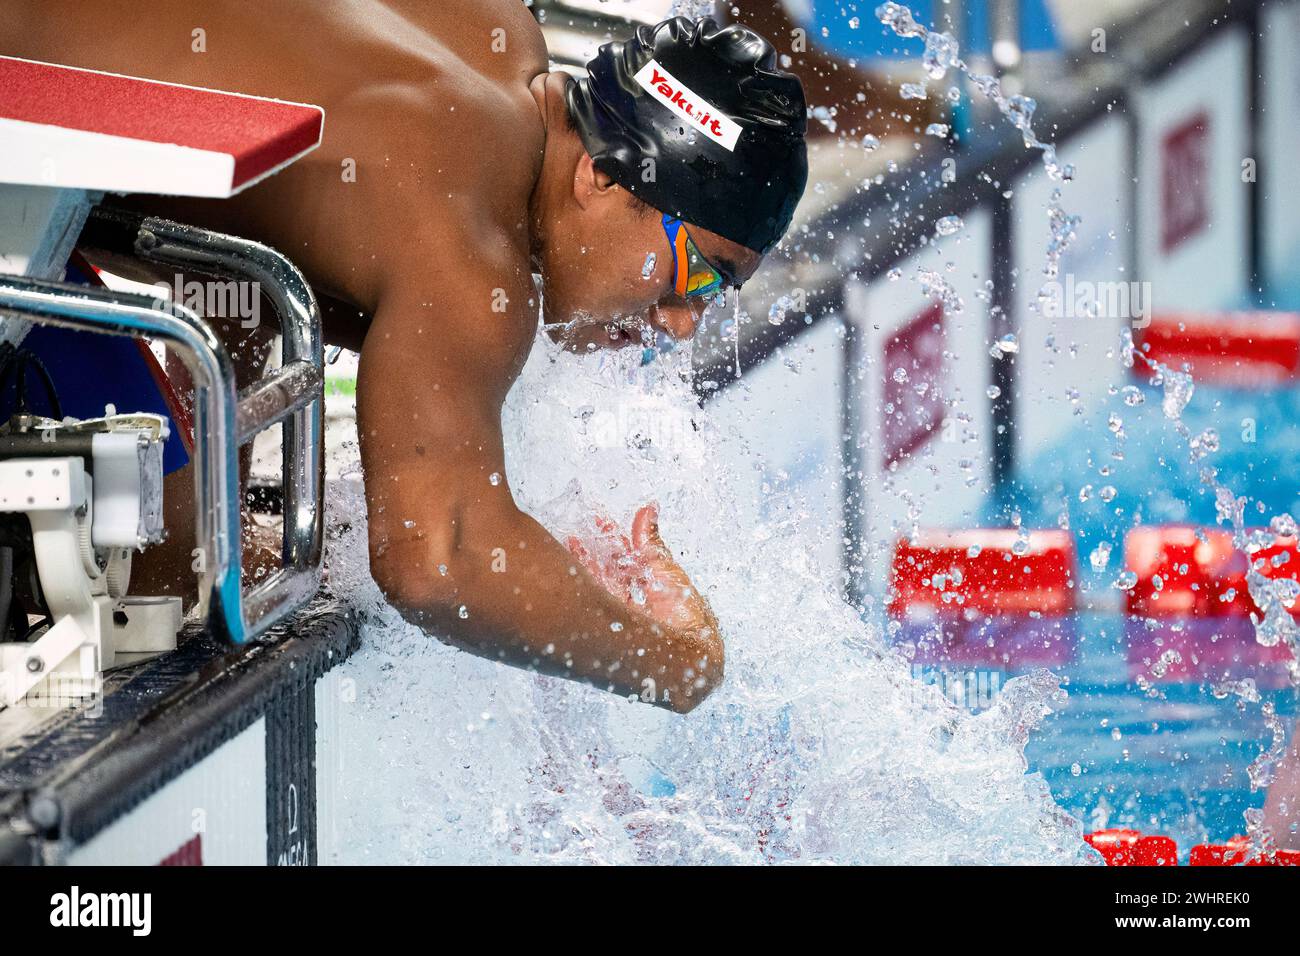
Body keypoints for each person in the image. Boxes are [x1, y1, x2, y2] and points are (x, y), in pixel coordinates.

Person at [0, 1, 808, 712]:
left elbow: (246, 236)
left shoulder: (492, 32)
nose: (680, 324)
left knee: (198, 547)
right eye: (696, 274)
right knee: (165, 584)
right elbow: (438, 561)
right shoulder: (472, 253)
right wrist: (673, 663)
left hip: (31, 122)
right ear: (602, 177)